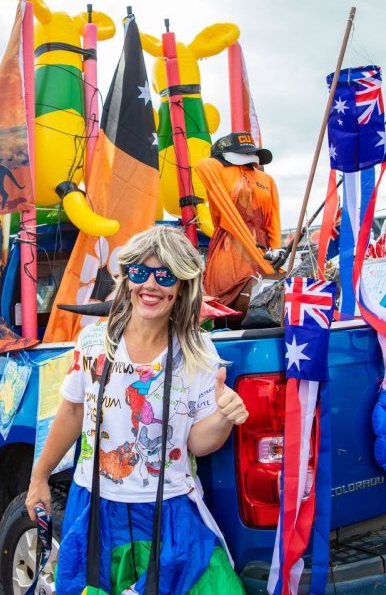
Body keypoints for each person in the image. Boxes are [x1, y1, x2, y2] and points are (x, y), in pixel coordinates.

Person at [27, 225, 248, 594]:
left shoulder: (198, 352)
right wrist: (39, 478)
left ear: (181, 287)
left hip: (170, 514)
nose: (150, 285)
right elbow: (71, 414)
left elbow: (197, 443)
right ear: (126, 277)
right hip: (96, 510)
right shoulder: (94, 342)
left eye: (165, 276)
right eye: (140, 272)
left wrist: (224, 416)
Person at [195, 132, 282, 308]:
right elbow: (202, 165)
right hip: (229, 244)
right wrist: (225, 158)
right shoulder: (218, 170)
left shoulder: (267, 180)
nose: (251, 158)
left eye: (252, 153)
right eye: (244, 153)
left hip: (262, 249)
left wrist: (277, 249)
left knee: (268, 299)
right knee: (225, 298)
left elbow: (273, 220)